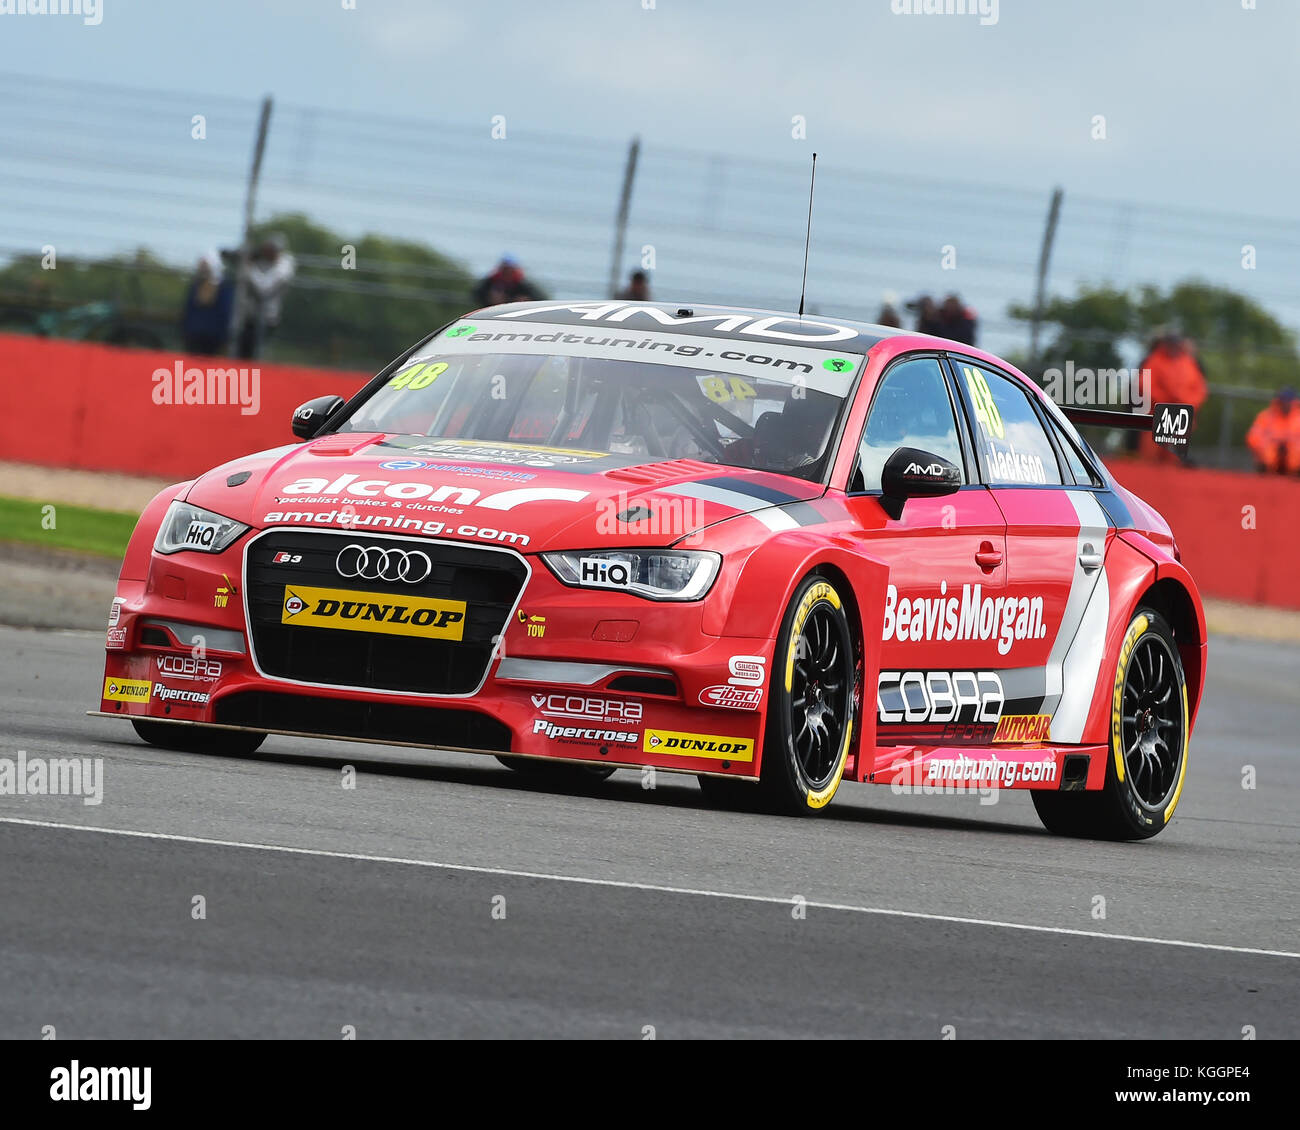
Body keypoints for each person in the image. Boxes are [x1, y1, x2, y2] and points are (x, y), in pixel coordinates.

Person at [1135, 330, 1209, 462]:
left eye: (1175, 343)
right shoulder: (1155, 361)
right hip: (1156, 416)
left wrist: (1185, 402)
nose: (1173, 347)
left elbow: (1200, 390)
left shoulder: (1188, 363)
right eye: (1170, 343)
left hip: (1180, 418)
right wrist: (1165, 400)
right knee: (1149, 459)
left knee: (1173, 460)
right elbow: (1144, 386)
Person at [234, 233, 296, 359]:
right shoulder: (261, 262)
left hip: (266, 318)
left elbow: (263, 288)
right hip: (247, 316)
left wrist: (249, 266)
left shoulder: (284, 267)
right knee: (241, 355)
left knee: (256, 356)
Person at [180, 251, 233, 355]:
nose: (202, 268)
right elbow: (188, 310)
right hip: (193, 334)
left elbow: (225, 313)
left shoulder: (223, 288)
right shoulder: (195, 286)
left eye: (205, 265)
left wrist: (224, 336)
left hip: (213, 336)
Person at [1246, 387, 1300, 474]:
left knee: (1295, 450)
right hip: (1269, 464)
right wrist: (1270, 445)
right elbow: (1252, 437)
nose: (1285, 404)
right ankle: (1265, 472)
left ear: (1294, 402)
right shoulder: (1265, 417)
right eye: (1283, 400)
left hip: (1294, 466)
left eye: (1288, 401)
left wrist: (1288, 445)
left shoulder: (1298, 419)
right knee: (1268, 449)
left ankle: (1295, 472)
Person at [472, 255, 543, 307]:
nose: (507, 272)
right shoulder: (491, 281)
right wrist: (488, 298)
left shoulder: (523, 284)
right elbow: (476, 294)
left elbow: (538, 298)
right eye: (505, 269)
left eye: (509, 269)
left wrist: (526, 301)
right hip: (492, 310)